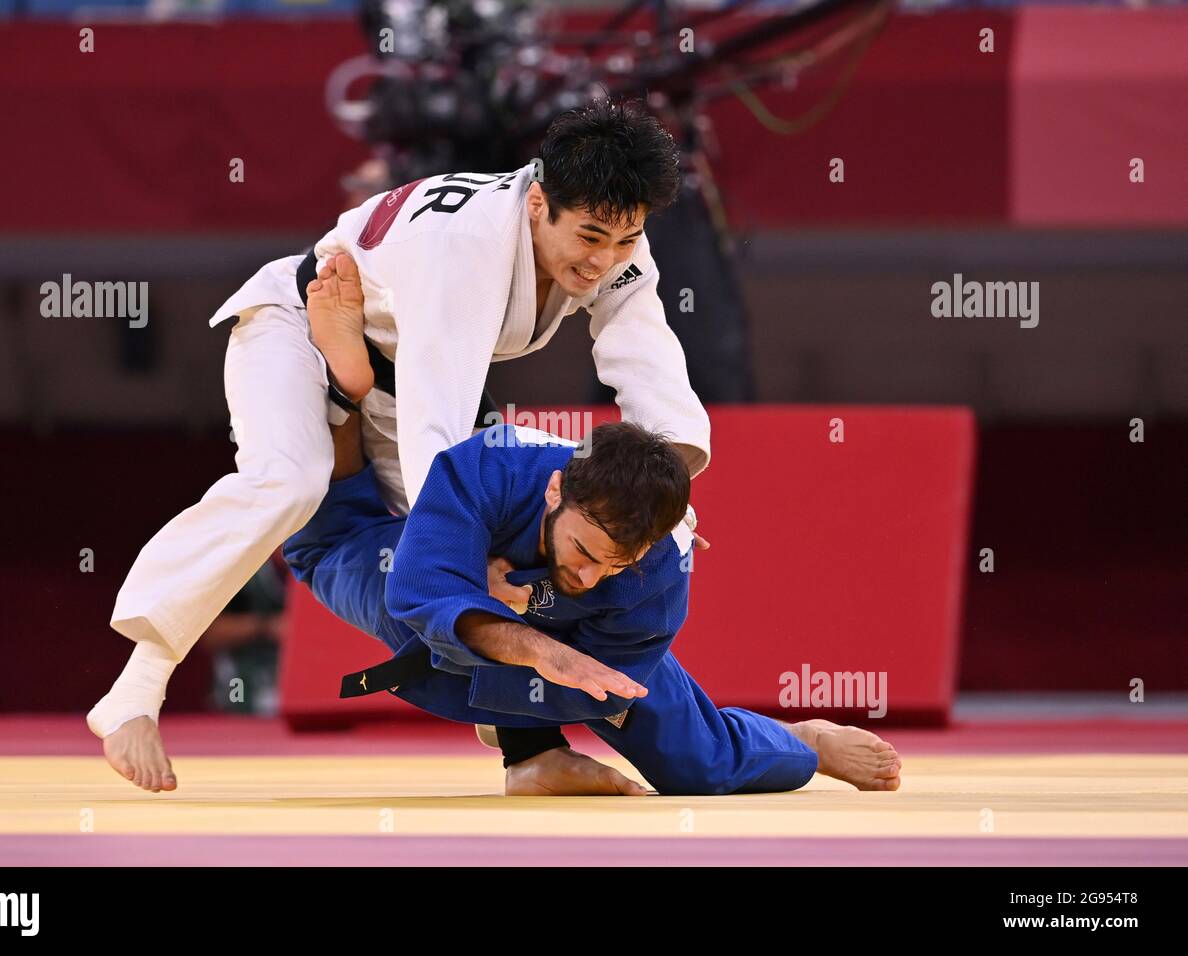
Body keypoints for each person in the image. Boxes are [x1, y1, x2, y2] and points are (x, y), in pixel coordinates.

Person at [87, 98, 712, 793]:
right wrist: (465, 562)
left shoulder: (614, 227)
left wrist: (668, 498)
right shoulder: (466, 249)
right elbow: (436, 431)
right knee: (293, 482)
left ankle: (529, 749)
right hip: (301, 324)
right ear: (540, 202)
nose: (605, 260)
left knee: (524, 536)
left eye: (625, 242)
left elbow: (644, 348)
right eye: (591, 237)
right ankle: (135, 691)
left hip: (389, 363)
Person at [283, 403, 903, 796]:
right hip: (408, 566)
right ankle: (532, 750)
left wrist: (530, 610)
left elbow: (605, 675)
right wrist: (521, 636)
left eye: (618, 563)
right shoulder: (490, 469)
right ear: (556, 491)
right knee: (397, 597)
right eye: (584, 548)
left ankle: (803, 741)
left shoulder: (662, 564)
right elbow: (423, 590)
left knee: (700, 769)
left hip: (578, 650)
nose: (593, 575)